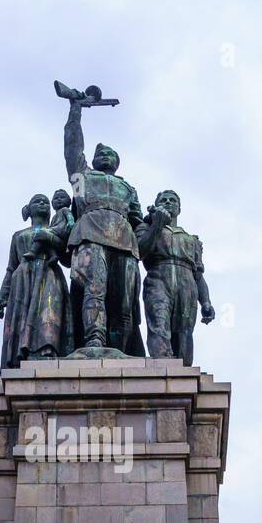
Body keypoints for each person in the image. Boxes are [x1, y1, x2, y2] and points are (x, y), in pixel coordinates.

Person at [61, 92, 145, 354]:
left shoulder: (128, 188)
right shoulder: (82, 178)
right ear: (94, 161)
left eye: (112, 154)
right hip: (91, 233)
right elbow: (72, 149)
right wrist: (76, 110)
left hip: (125, 240)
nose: (106, 156)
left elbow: (138, 222)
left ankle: (120, 348)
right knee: (94, 290)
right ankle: (94, 340)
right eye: (102, 154)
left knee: (123, 301)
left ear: (117, 164)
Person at [0, 193, 73, 368]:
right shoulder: (18, 236)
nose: (43, 203)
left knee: (49, 310)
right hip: (22, 278)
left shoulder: (56, 229)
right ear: (28, 210)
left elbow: (66, 254)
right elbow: (10, 268)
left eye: (45, 201)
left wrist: (49, 237)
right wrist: (0, 299)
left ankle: (47, 350)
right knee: (23, 316)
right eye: (38, 201)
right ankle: (21, 354)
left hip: (50, 273)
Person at [137, 189, 215, 365]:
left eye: (172, 200)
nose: (167, 202)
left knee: (185, 331)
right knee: (159, 324)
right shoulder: (146, 227)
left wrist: (207, 302)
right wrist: (157, 225)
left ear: (179, 209)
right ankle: (162, 367)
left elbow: (199, 275)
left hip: (187, 282)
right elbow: (140, 251)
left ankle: (183, 373)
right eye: (163, 200)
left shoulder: (192, 240)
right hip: (158, 277)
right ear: (157, 205)